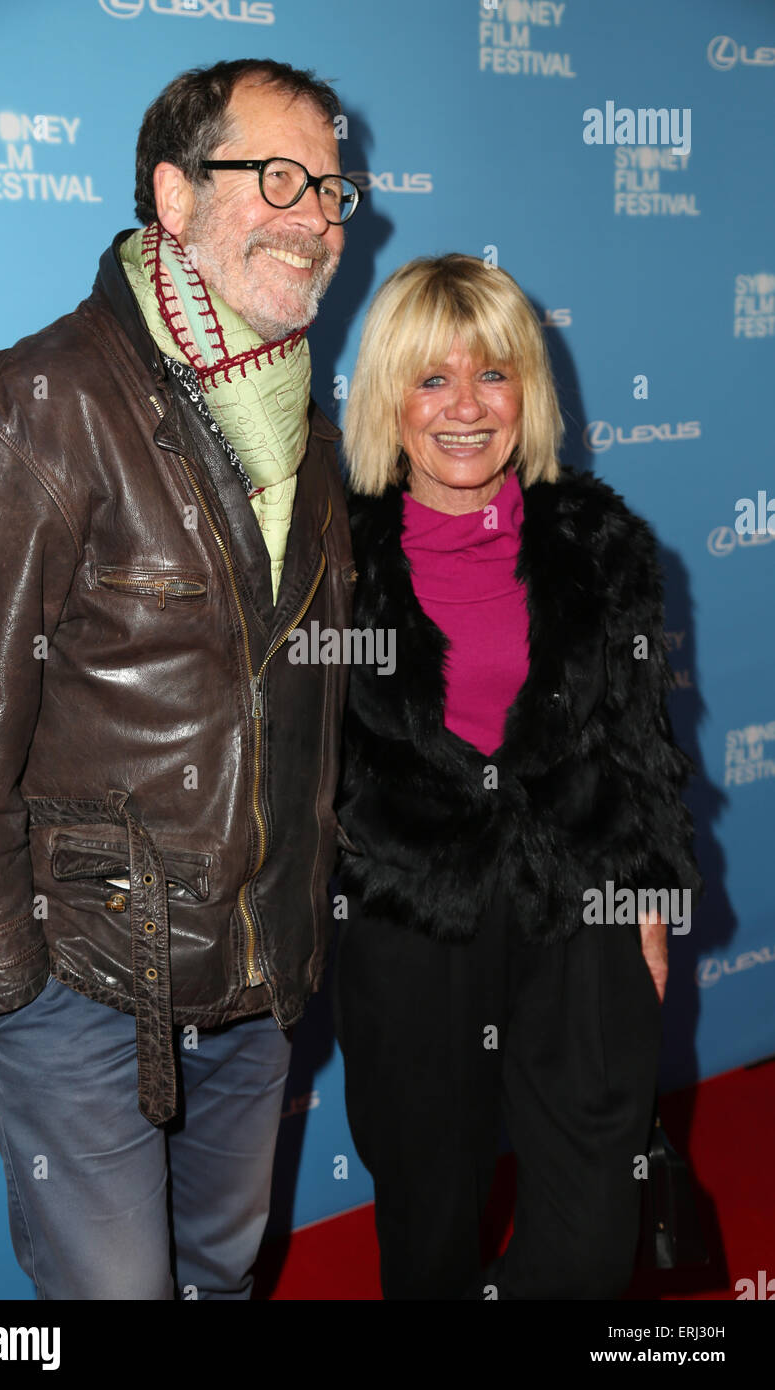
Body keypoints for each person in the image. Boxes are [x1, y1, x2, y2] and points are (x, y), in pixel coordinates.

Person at [0, 58, 361, 1300]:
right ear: (172, 194)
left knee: (222, 1270)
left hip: (257, 970)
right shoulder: (20, 409)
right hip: (86, 981)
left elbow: (308, 707)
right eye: (276, 176)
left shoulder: (304, 434)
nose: (315, 215)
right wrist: (14, 1001)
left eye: (331, 186)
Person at [332, 253, 703, 1301]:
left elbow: (640, 743)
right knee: (428, 1216)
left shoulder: (599, 541)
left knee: (589, 1233)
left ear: (526, 394)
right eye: (429, 378)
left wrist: (646, 904)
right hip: (411, 920)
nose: (463, 408)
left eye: (490, 375)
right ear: (386, 397)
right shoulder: (330, 561)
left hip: (578, 904)